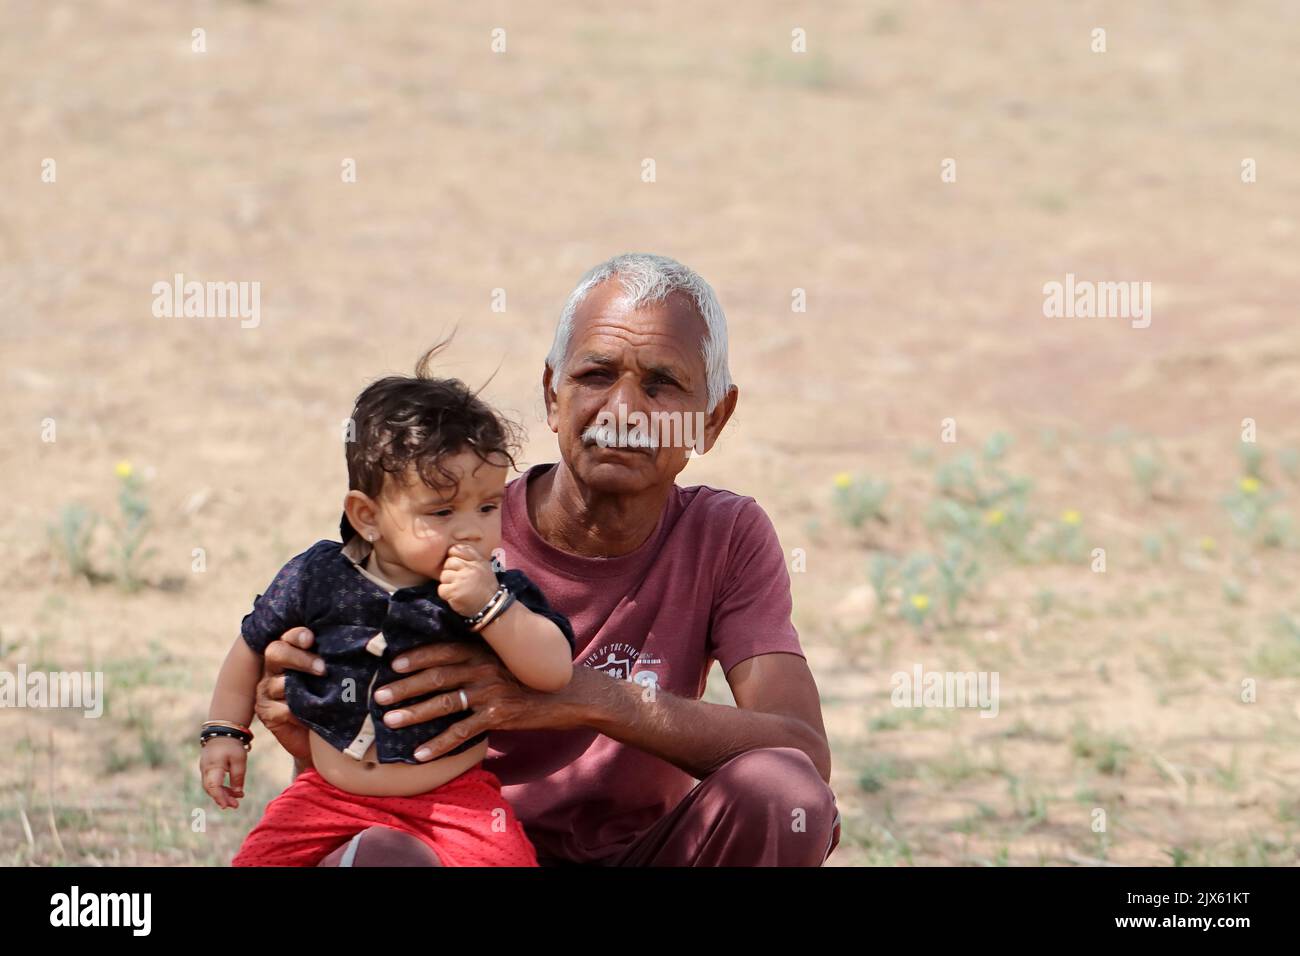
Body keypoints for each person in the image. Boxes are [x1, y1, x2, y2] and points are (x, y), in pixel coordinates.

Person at [256, 253, 841, 866]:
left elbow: (801, 751)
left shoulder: (725, 535)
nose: (622, 409)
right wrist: (301, 712)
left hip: (640, 854)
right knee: (384, 855)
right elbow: (350, 747)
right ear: (551, 395)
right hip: (472, 852)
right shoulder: (450, 536)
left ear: (712, 420)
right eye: (595, 374)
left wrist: (586, 696)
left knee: (781, 793)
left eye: (661, 384)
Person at [200, 344, 576, 866]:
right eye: (441, 510)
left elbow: (553, 669)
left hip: (454, 802)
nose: (470, 528)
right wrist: (225, 732)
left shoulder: (495, 589)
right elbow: (249, 645)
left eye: (489, 506)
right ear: (366, 516)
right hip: (329, 795)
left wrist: (491, 610)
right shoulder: (318, 576)